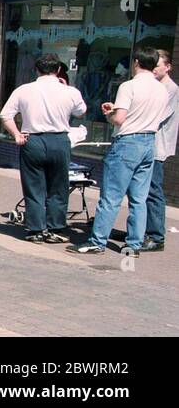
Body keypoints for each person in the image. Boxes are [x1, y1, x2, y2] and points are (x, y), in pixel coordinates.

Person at [70, 47, 173, 255]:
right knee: (139, 198)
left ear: (136, 62)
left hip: (128, 141)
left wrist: (110, 114)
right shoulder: (162, 89)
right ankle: (134, 244)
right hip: (148, 141)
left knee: (111, 197)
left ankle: (97, 242)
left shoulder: (129, 86)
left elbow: (119, 119)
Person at [0, 53, 87, 243]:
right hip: (59, 140)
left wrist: (17, 134)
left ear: (37, 70)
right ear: (58, 70)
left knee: (34, 186)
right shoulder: (70, 92)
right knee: (58, 187)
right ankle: (55, 228)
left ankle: (36, 229)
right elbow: (81, 112)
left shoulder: (24, 90)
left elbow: (5, 115)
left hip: (33, 140)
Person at [143, 50, 179, 252]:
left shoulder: (170, 89)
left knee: (153, 191)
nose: (154, 69)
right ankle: (143, 230)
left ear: (168, 67)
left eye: (158, 65)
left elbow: (157, 116)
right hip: (147, 145)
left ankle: (156, 236)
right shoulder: (154, 87)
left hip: (157, 147)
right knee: (143, 191)